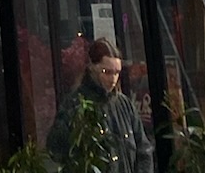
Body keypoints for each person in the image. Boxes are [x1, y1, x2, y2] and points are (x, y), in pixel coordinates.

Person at [46, 40, 153, 173]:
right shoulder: (75, 104)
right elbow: (55, 148)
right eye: (106, 72)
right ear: (92, 68)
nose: (113, 79)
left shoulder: (124, 105)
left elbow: (143, 150)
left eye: (117, 72)